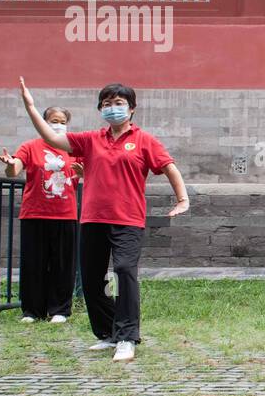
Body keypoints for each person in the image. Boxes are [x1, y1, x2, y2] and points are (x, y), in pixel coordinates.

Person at [18, 77, 189, 362]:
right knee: (92, 280)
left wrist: (182, 199)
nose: (113, 108)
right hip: (92, 220)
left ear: (131, 109)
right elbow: (52, 138)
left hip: (127, 220)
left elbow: (169, 167)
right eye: (107, 104)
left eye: (119, 103)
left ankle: (127, 336)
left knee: (124, 271)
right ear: (101, 109)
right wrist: (31, 107)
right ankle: (108, 333)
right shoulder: (90, 140)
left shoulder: (144, 141)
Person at [0, 106, 83, 324]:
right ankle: (32, 310)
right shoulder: (30, 147)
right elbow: (15, 169)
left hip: (65, 214)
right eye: (54, 120)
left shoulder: (74, 148)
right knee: (33, 263)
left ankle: (60, 309)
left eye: (63, 121)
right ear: (42, 122)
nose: (58, 125)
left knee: (63, 264)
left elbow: (89, 173)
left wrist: (85, 173)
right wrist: (9, 165)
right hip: (34, 213)